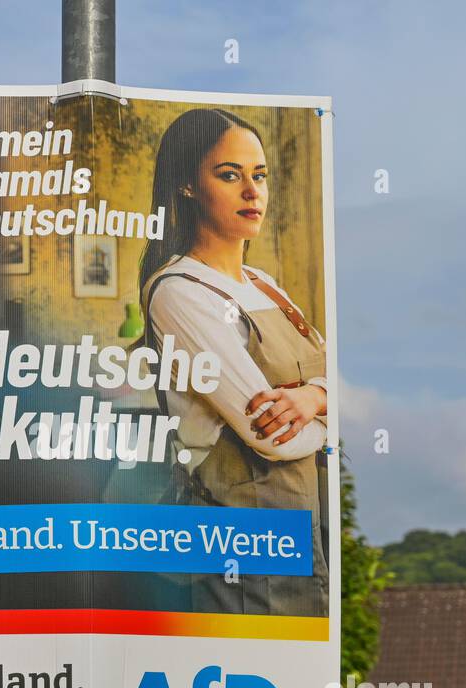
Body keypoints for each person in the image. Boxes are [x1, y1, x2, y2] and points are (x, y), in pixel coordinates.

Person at [139, 108, 329, 617]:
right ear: (186, 187)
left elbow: (332, 377)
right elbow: (270, 435)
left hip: (302, 524)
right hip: (242, 542)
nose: (252, 191)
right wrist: (330, 413)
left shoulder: (265, 284)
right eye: (229, 175)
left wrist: (315, 397)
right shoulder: (180, 293)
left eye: (259, 176)